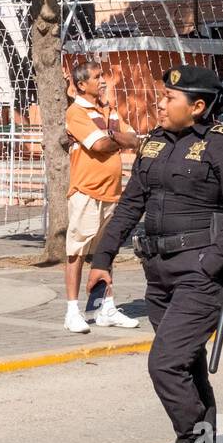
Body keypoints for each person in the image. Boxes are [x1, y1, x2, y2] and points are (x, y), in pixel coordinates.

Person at [87, 65, 223, 443]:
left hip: (198, 273)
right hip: (157, 274)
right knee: (189, 368)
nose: (160, 103)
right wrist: (102, 257)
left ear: (197, 106)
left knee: (164, 365)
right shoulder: (154, 144)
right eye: (162, 96)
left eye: (170, 97)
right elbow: (129, 206)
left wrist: (213, 264)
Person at [63, 60, 141, 333]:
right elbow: (99, 145)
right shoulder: (76, 112)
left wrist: (114, 135)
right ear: (82, 84)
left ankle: (106, 308)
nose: (103, 81)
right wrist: (117, 137)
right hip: (86, 191)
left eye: (102, 76)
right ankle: (72, 310)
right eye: (97, 77)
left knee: (105, 252)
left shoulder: (109, 110)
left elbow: (135, 139)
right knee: (77, 251)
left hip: (112, 193)